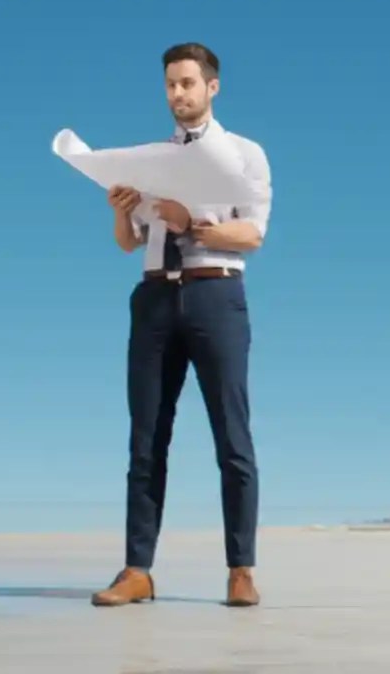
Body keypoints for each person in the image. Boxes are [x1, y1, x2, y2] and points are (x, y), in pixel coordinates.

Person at [91, 42, 272, 608]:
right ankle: (137, 570)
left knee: (232, 437)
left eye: (187, 83)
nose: (178, 94)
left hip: (216, 293)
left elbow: (252, 235)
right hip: (154, 298)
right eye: (170, 84)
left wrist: (190, 222)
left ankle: (240, 570)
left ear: (212, 87)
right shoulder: (150, 161)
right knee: (146, 439)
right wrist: (122, 210)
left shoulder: (244, 155)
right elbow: (129, 243)